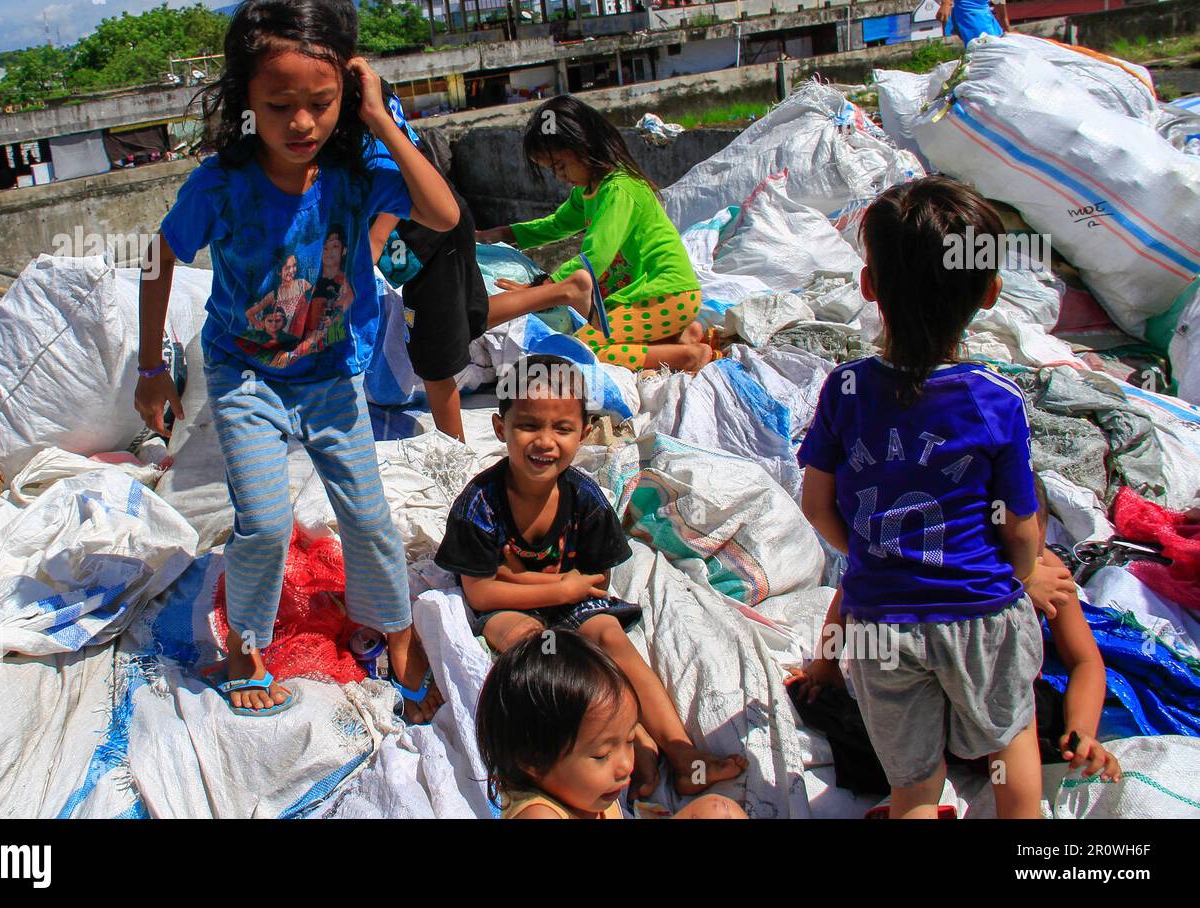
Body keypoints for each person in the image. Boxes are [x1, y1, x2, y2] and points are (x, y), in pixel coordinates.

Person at [135, 0, 458, 720]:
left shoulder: (354, 173)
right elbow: (158, 260)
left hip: (330, 376)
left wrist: (377, 116)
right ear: (245, 99)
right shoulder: (222, 185)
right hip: (245, 374)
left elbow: (441, 214)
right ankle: (245, 643)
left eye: (323, 101)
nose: (303, 123)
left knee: (369, 520)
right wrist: (153, 369)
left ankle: (397, 629)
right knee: (268, 520)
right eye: (280, 106)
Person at [795, 175, 1044, 818]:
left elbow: (816, 505)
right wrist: (1013, 581)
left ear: (868, 286)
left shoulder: (844, 390)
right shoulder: (996, 401)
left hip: (881, 624)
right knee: (1009, 749)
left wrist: (870, 552)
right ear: (989, 293)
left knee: (913, 786)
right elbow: (1021, 528)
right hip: (979, 614)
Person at [435, 354, 747, 796]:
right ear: (500, 428)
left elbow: (596, 581)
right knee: (534, 649)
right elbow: (482, 594)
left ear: (582, 434)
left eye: (561, 429)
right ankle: (628, 739)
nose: (544, 442)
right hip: (508, 608)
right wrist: (556, 584)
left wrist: (524, 576)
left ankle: (682, 754)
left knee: (608, 635)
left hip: (571, 600)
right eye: (528, 425)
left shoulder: (584, 498)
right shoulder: (478, 506)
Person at [788, 475, 1123, 801]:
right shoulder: (931, 564)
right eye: (998, 555)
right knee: (848, 721)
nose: (1018, 566)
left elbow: (1085, 661)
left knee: (1042, 732)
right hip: (925, 695)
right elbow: (849, 595)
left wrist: (1082, 732)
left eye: (1027, 554)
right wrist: (826, 663)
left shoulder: (1049, 574)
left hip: (998, 704)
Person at [278, 0, 489, 444]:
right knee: (452, 323)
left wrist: (372, 243)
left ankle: (454, 452)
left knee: (434, 356)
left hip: (424, 236)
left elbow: (400, 178)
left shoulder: (363, 98)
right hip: (405, 240)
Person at [477, 95, 717, 373]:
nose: (560, 176)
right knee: (599, 336)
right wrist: (505, 233)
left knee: (587, 348)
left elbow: (595, 255)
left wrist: (544, 287)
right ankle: (679, 339)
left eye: (560, 166)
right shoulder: (589, 190)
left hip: (667, 295)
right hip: (649, 296)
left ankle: (689, 357)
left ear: (583, 144)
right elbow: (556, 225)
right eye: (553, 170)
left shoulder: (618, 189)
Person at [476, 631, 749, 818]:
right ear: (533, 760)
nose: (626, 765)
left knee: (719, 811)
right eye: (602, 754)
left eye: (630, 740)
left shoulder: (582, 790)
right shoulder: (539, 813)